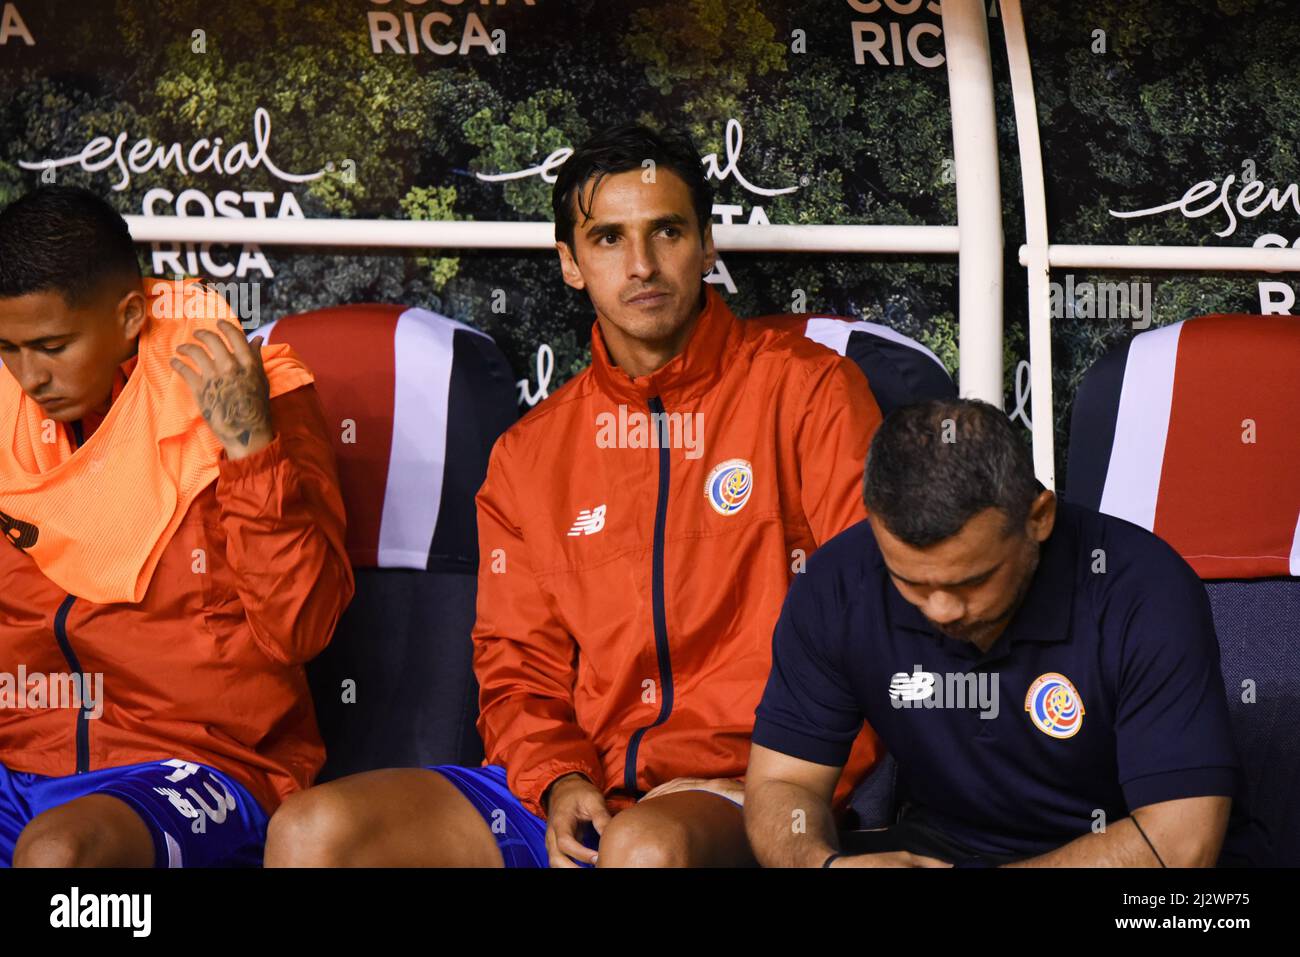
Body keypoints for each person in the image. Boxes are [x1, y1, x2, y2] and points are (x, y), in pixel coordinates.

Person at [265, 122, 885, 868]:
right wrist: (557, 778)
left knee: (645, 847)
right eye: (608, 240)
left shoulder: (809, 391)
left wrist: (787, 781)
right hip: (575, 795)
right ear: (569, 262)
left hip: (745, 785)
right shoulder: (531, 453)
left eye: (667, 232)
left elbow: (879, 618)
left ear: (708, 246)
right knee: (312, 832)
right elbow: (515, 664)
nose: (643, 265)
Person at [0, 186, 354, 867]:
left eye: (52, 345)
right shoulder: (8, 409)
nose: (29, 376)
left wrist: (252, 450)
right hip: (23, 756)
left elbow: (300, 626)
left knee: (59, 857)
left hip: (202, 762)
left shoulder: (254, 394)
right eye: (9, 348)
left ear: (129, 316)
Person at [744, 397, 1256, 867]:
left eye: (973, 580)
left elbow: (1179, 842)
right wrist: (823, 863)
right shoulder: (838, 580)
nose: (942, 610)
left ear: (1039, 517)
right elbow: (783, 782)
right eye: (911, 582)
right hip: (937, 849)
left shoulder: (1143, 588)